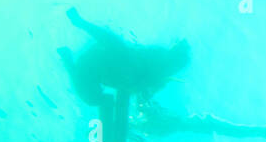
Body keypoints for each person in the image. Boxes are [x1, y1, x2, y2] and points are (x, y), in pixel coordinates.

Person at [57, 6, 190, 106]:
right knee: (120, 51)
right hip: (118, 63)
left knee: (121, 54)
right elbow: (112, 42)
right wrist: (81, 23)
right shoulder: (156, 63)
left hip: (120, 68)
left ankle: (73, 56)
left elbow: (111, 41)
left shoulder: (157, 73)